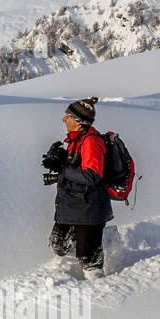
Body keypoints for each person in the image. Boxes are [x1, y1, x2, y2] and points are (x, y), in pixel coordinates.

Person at [42, 96, 113, 276]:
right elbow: (77, 166)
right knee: (58, 244)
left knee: (89, 261)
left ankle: (102, 291)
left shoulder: (91, 142)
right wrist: (61, 161)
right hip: (72, 207)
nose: (64, 119)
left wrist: (64, 170)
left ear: (79, 122)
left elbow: (92, 175)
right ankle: (82, 256)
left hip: (89, 210)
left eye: (68, 116)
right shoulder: (77, 140)